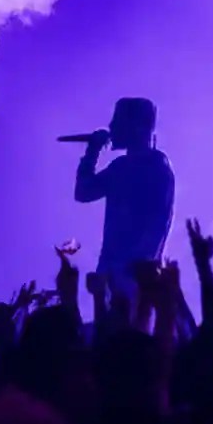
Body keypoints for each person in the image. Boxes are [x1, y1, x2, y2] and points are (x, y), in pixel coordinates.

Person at [73, 98, 176, 297]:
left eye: (118, 120)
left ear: (137, 126)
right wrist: (92, 151)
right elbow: (83, 192)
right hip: (111, 274)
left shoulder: (156, 165)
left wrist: (139, 266)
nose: (111, 126)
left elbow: (159, 221)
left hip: (135, 276)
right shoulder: (119, 168)